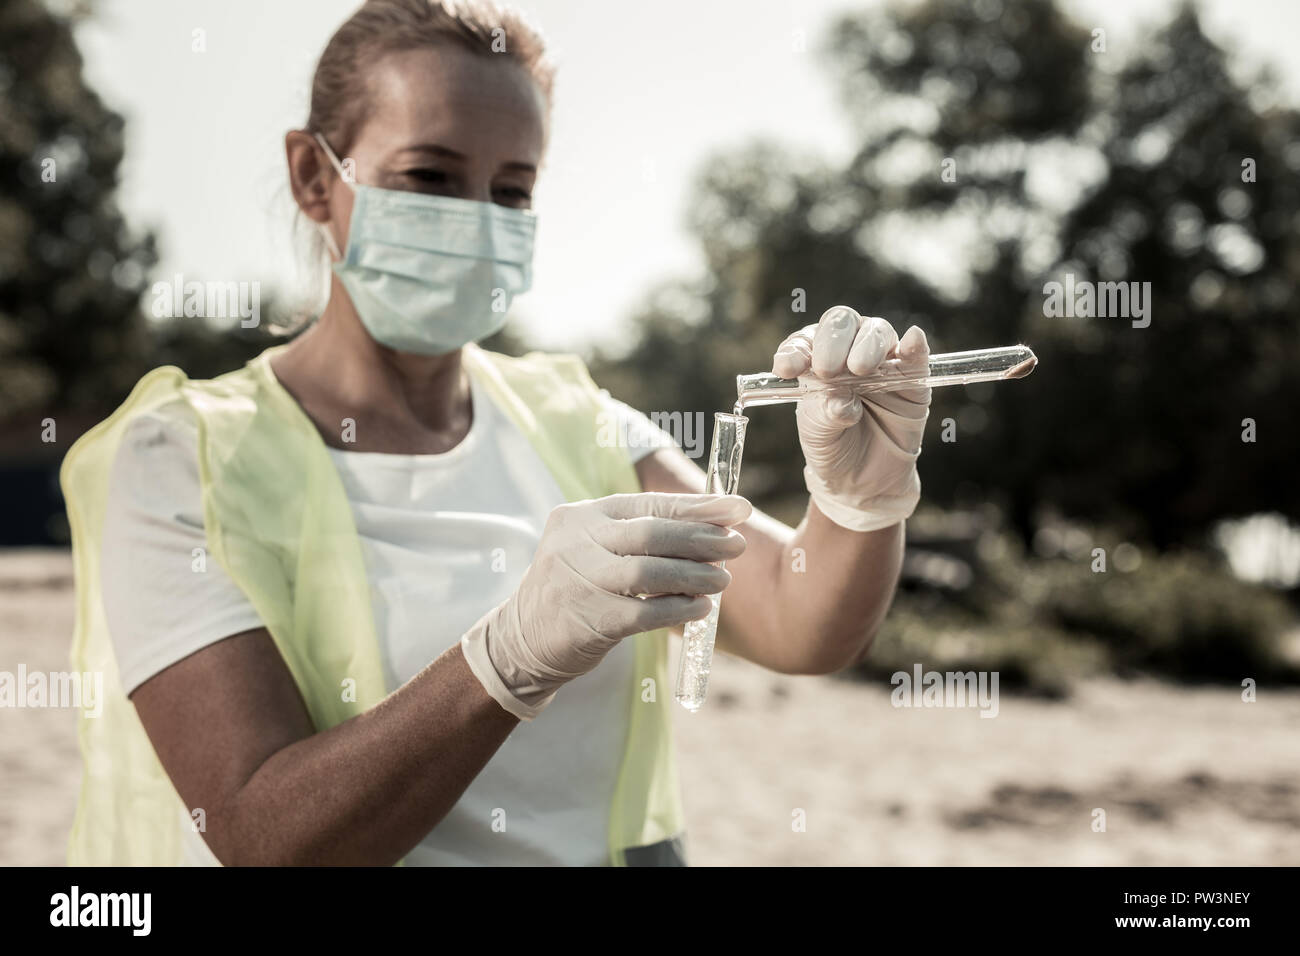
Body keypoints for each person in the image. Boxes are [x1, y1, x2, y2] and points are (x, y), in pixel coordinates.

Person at [60, 0, 931, 867]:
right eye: (430, 177)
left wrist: (857, 502)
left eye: (511, 190)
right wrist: (506, 659)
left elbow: (795, 619)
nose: (477, 219)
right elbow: (260, 836)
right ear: (314, 177)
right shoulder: (184, 461)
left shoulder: (575, 420)